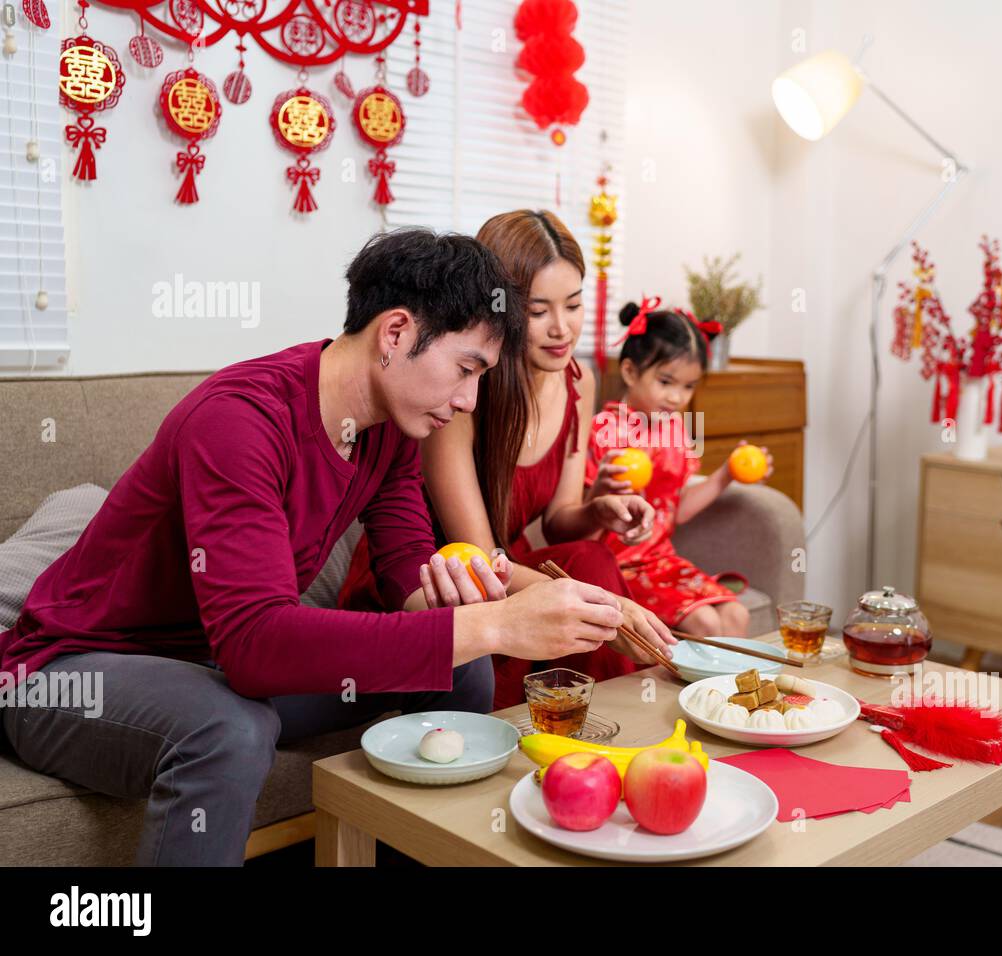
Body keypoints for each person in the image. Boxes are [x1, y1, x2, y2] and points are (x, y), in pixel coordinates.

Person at [0, 228, 629, 866]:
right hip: (66, 671)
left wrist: (478, 602)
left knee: (460, 663)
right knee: (230, 730)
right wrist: (495, 623)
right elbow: (255, 646)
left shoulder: (390, 432)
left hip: (206, 664)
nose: (469, 399)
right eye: (465, 369)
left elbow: (409, 580)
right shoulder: (239, 421)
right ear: (395, 333)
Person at [343, 211, 677, 710]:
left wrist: (596, 511)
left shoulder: (578, 382)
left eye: (575, 304)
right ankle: (513, 728)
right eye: (538, 310)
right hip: (447, 575)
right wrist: (605, 608)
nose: (561, 328)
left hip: (507, 563)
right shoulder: (461, 391)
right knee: (572, 592)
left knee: (592, 557)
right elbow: (475, 552)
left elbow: (561, 518)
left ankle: (598, 719)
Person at [586, 299, 772, 636]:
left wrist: (728, 472)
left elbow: (677, 511)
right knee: (704, 621)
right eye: (666, 382)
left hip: (660, 560)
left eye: (688, 386)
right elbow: (579, 514)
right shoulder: (602, 430)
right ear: (630, 372)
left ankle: (728, 690)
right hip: (615, 566)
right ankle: (697, 691)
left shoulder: (676, 429)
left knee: (736, 615)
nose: (677, 398)